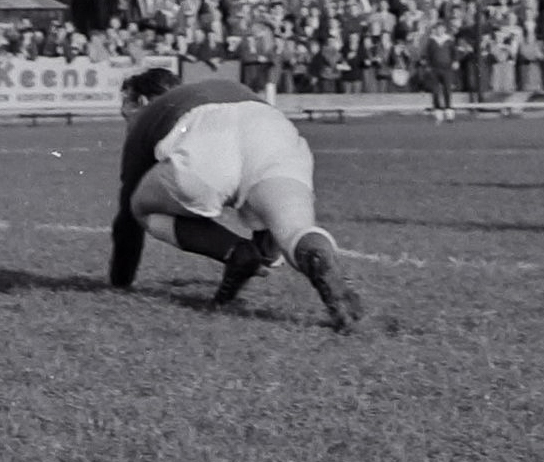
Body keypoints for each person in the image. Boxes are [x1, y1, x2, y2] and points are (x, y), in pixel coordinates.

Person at [106, 66, 363, 331]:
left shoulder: (152, 114)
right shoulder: (222, 87)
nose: (123, 112)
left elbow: (127, 217)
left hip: (206, 142)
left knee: (141, 208)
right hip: (272, 131)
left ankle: (235, 251)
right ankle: (313, 252)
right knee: (294, 230)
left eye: (126, 102)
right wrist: (266, 250)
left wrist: (120, 281)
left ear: (144, 101)